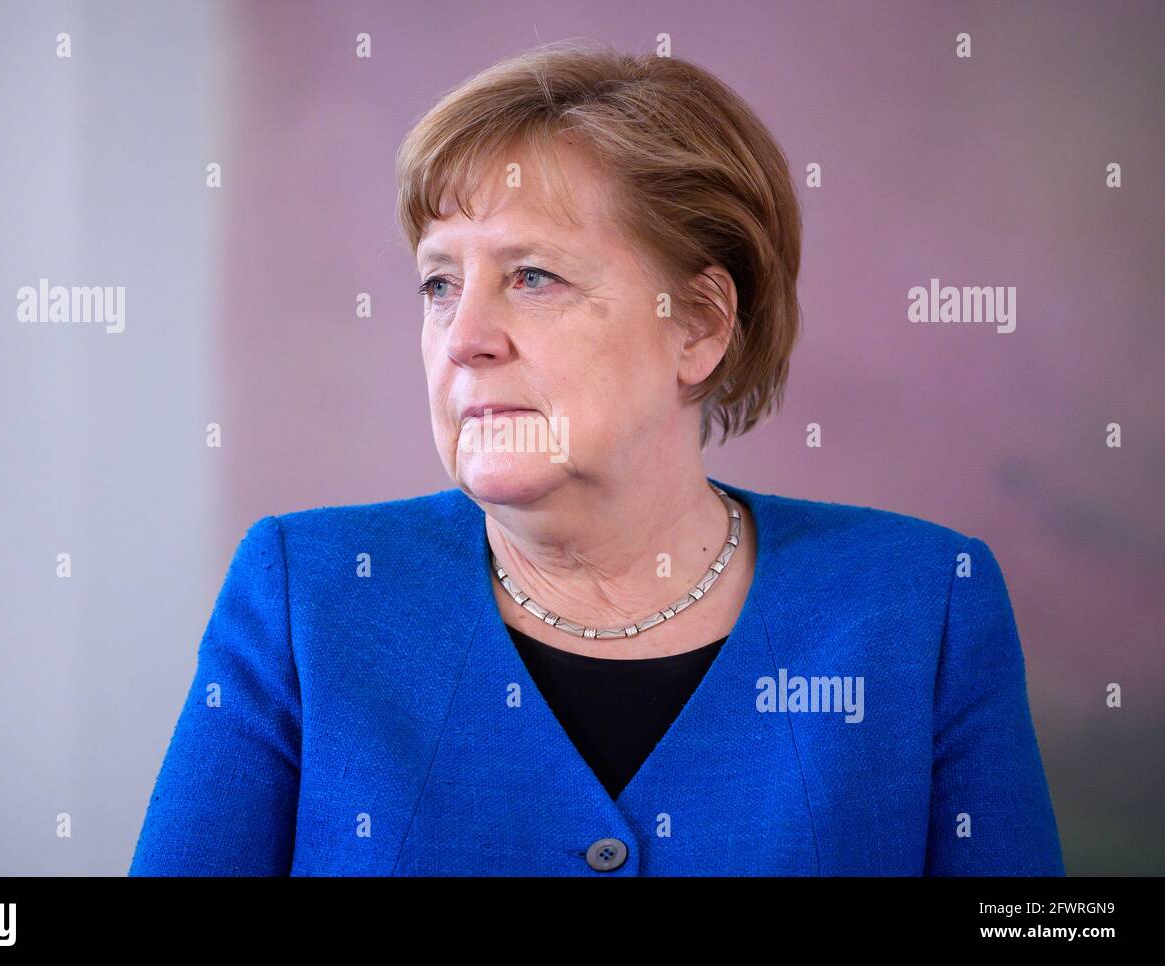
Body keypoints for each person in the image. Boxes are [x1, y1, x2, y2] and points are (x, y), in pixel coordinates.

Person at [129, 41, 1063, 876]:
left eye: (533, 277)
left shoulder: (920, 606)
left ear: (696, 326)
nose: (465, 337)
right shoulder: (308, 596)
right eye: (439, 282)